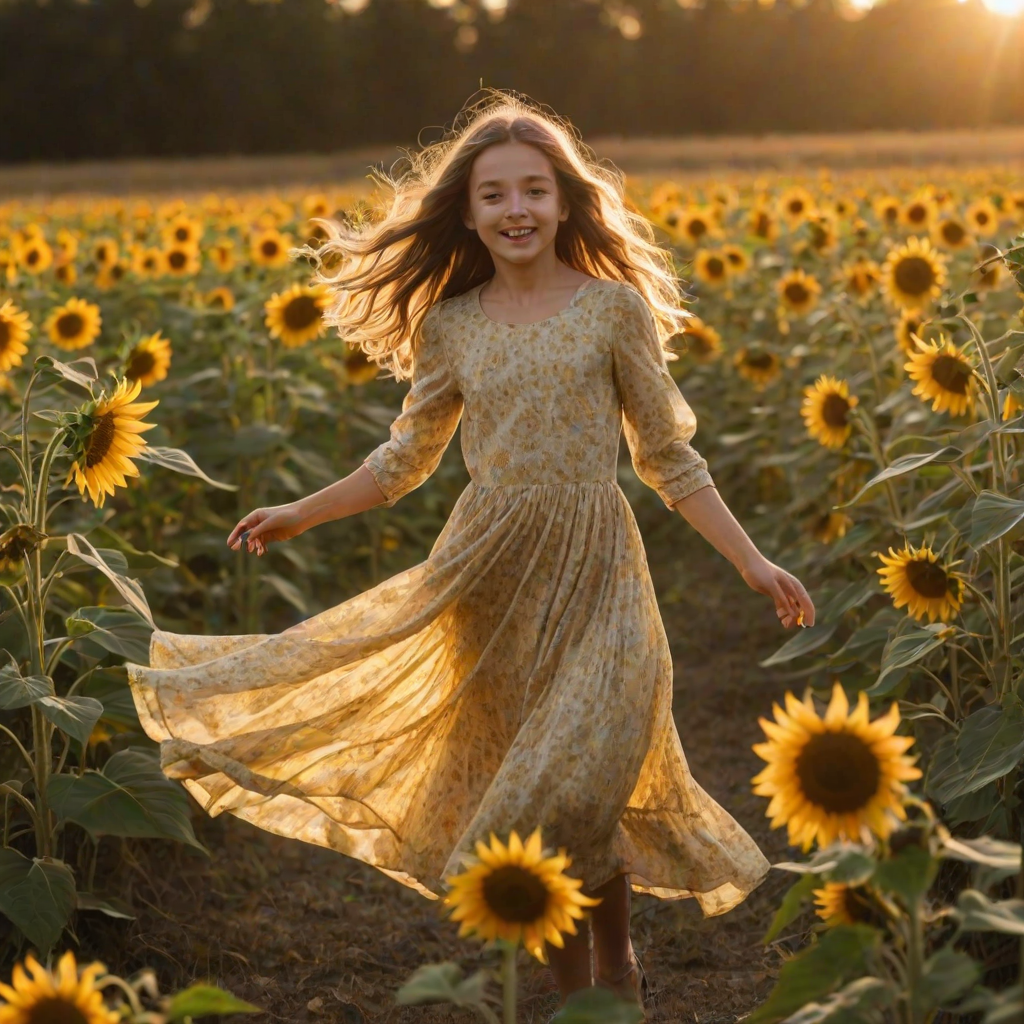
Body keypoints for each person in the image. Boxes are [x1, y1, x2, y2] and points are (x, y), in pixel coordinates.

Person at [127, 89, 815, 1019]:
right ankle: (587, 999)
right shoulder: (450, 324)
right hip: (488, 582)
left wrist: (751, 562)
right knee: (546, 804)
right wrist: (303, 512)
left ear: (567, 201)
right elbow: (404, 462)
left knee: (586, 780)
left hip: (601, 571)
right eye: (495, 195)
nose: (517, 209)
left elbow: (666, 457)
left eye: (535, 189)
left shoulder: (613, 312)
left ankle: (619, 979)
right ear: (468, 211)